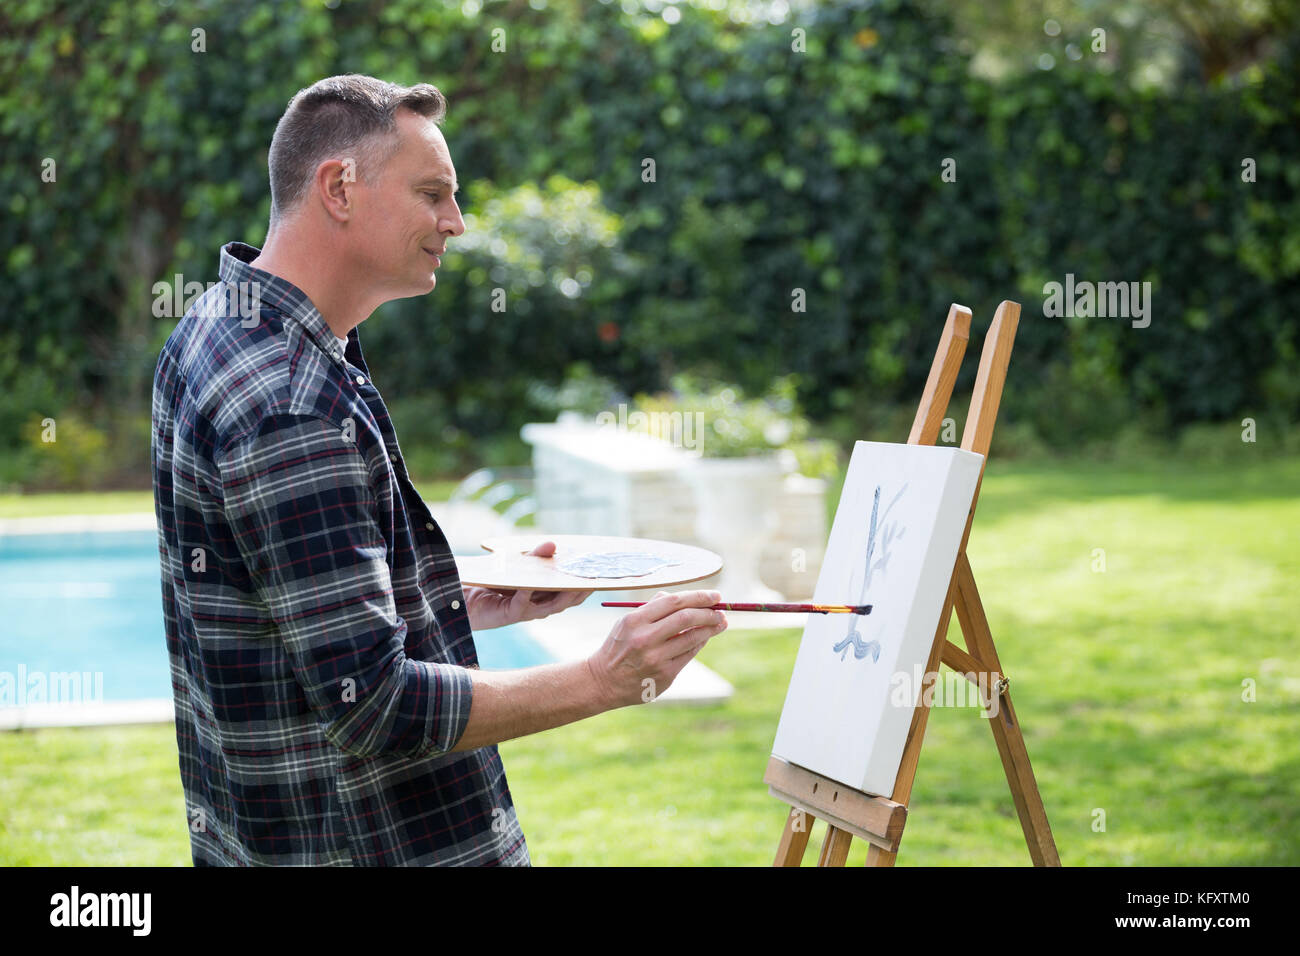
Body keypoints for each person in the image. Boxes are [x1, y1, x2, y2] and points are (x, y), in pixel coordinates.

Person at [150, 74, 728, 866]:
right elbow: (375, 707)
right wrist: (606, 677)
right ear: (339, 188)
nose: (455, 223)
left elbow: (284, 613)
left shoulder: (219, 325)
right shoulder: (289, 401)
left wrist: (448, 599)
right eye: (433, 194)